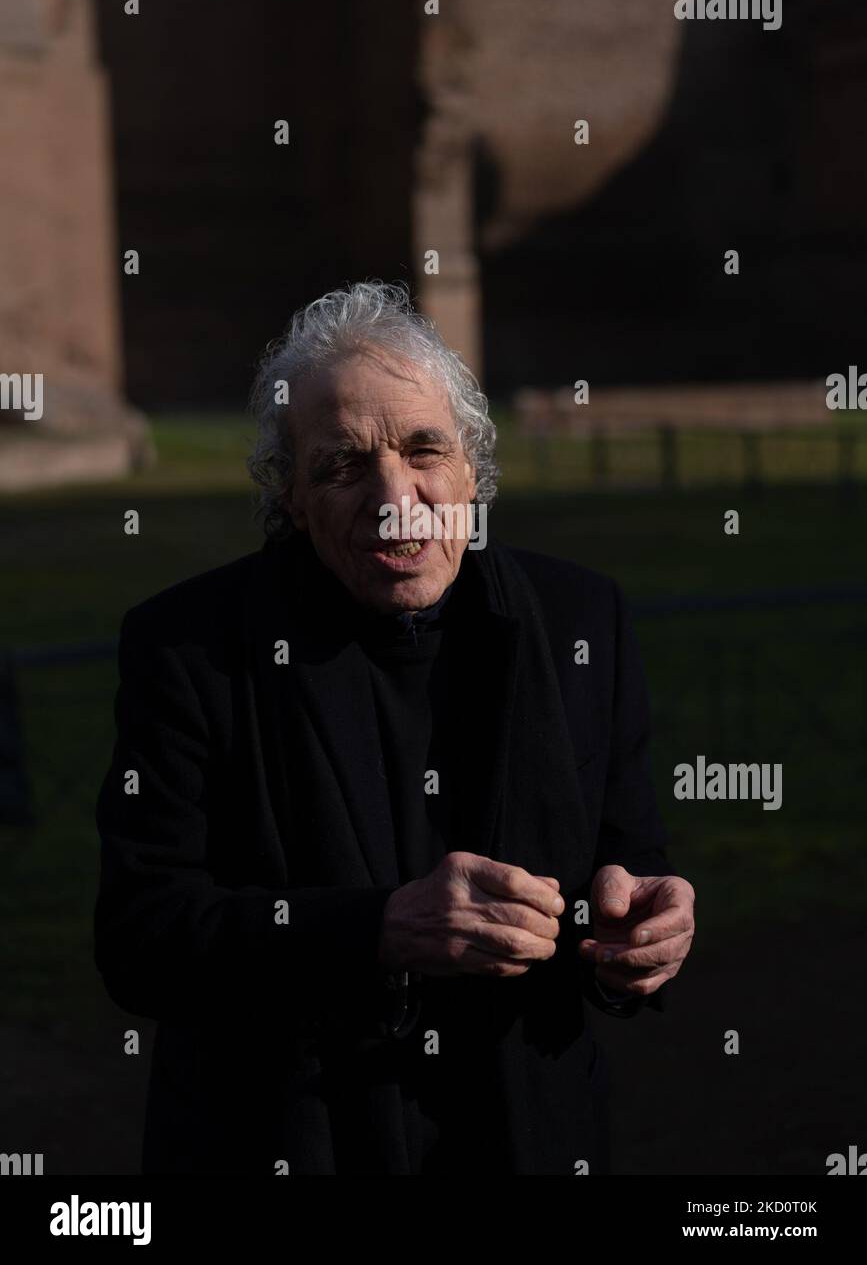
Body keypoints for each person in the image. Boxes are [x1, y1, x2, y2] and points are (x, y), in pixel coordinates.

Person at [94, 279, 695, 1175]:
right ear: (290, 496)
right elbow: (141, 940)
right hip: (288, 1142)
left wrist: (643, 933)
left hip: (526, 1135)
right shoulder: (191, 649)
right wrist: (378, 928)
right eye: (341, 464)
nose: (394, 497)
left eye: (425, 450)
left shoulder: (580, 621)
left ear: (471, 470)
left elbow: (627, 861)